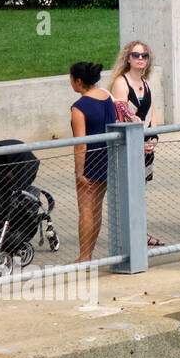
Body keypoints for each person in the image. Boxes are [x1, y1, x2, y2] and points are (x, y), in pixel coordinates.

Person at [108, 41, 160, 245]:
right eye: (136, 55)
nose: (140, 59)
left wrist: (154, 138)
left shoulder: (145, 83)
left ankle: (140, 233)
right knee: (128, 193)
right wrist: (139, 143)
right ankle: (130, 237)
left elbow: (151, 113)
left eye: (144, 55)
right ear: (128, 58)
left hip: (146, 147)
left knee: (140, 192)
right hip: (129, 147)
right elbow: (122, 116)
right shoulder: (122, 82)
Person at [69, 62, 116, 261]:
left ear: (78, 81)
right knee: (96, 208)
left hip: (90, 162)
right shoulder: (106, 97)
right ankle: (88, 255)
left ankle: (84, 257)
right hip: (108, 158)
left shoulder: (79, 107)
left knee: (86, 210)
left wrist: (79, 173)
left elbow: (81, 144)